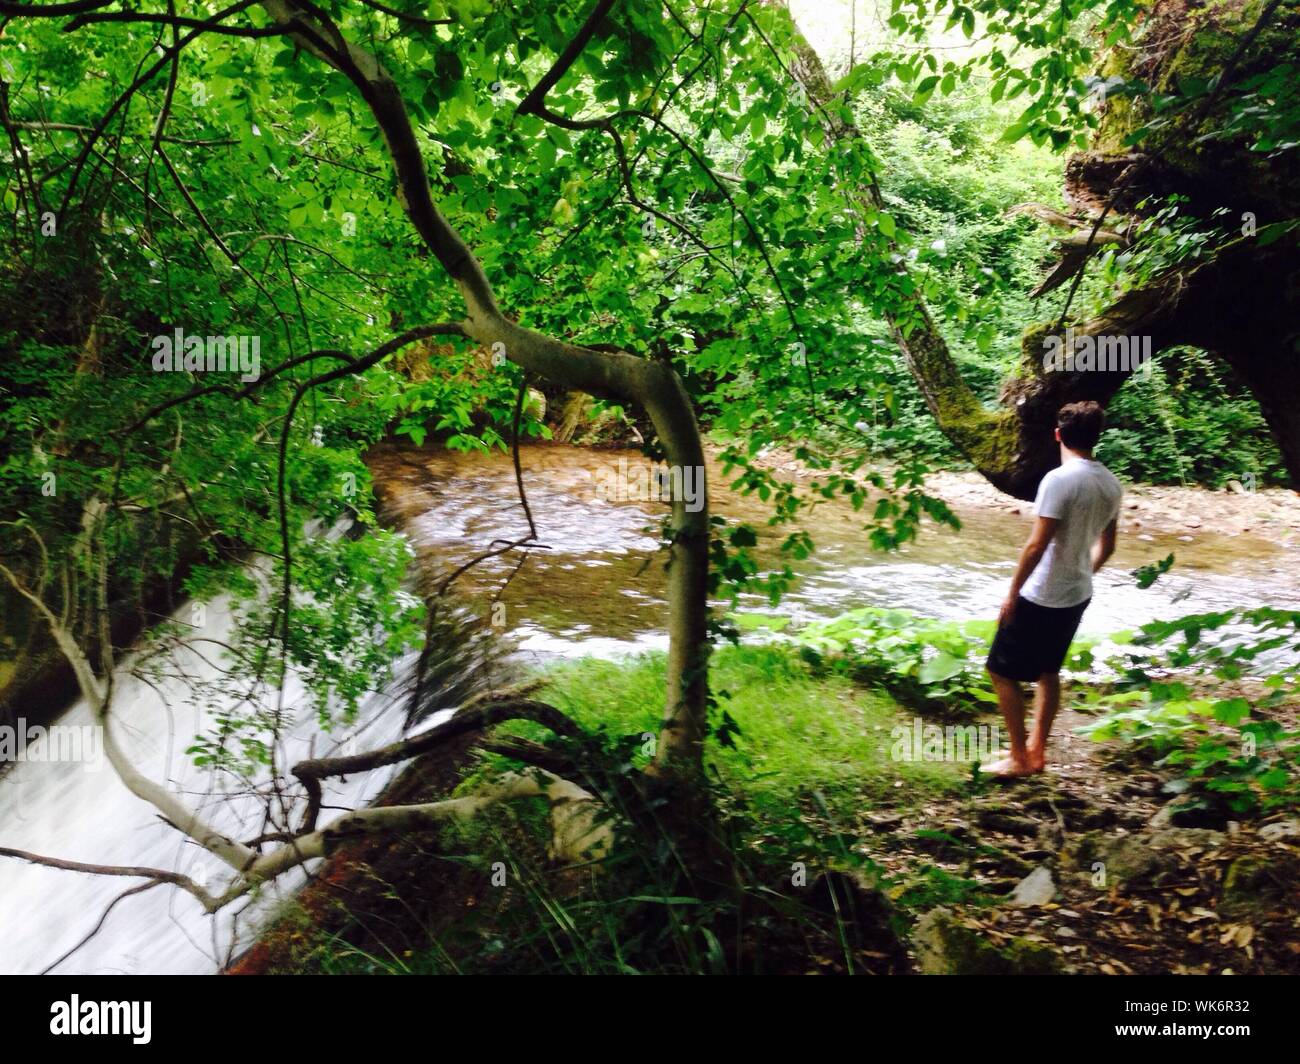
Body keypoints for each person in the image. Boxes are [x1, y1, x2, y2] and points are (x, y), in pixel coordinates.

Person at [984, 400, 1122, 776]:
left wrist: (1012, 593)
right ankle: (1038, 752)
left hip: (1041, 593)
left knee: (999, 669)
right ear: (1095, 437)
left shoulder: (1058, 480)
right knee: (1048, 671)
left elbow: (1036, 544)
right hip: (1078, 593)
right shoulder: (1111, 484)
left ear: (1058, 435)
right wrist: (1082, 572)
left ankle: (1018, 757)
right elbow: (1107, 546)